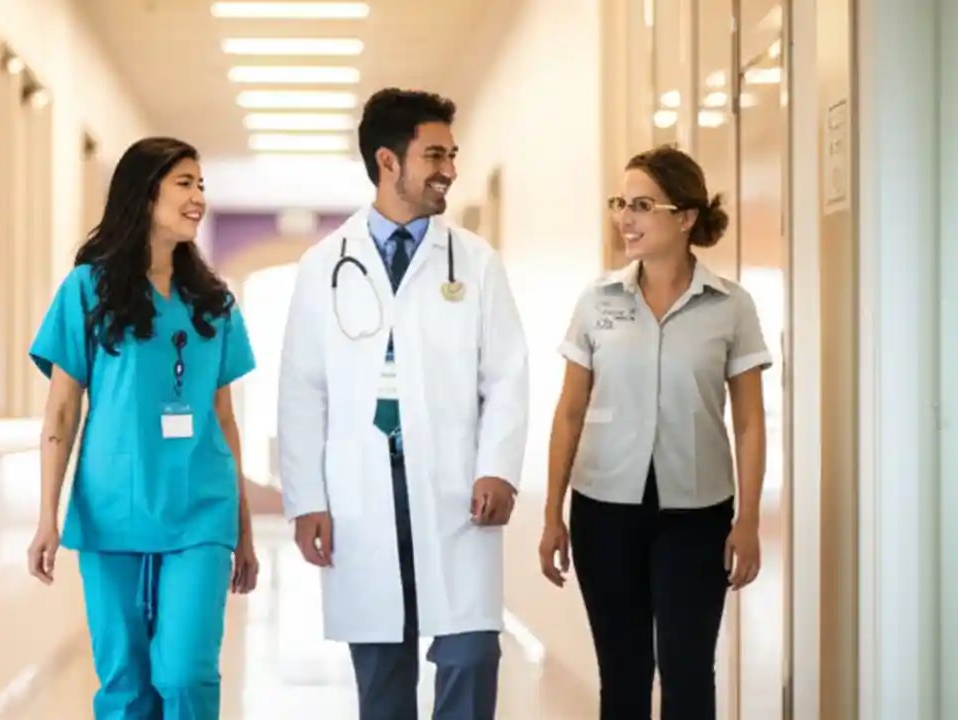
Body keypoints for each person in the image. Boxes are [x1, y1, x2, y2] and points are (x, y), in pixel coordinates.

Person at [278, 88, 530, 720]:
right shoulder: (323, 265)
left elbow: (506, 373)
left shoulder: (475, 262)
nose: (449, 169)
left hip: (454, 485)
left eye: (452, 154)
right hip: (364, 490)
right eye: (434, 154)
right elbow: (302, 390)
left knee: (470, 654)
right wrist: (306, 499)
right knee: (383, 678)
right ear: (388, 161)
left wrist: (497, 465)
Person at [26, 136, 259, 719]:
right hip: (110, 510)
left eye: (201, 184)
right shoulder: (87, 291)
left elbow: (224, 419)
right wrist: (46, 518)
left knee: (185, 674)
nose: (198, 196)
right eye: (185, 182)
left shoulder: (213, 303)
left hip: (201, 509)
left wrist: (245, 529)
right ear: (143, 191)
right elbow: (60, 413)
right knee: (126, 684)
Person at [538, 145, 770, 719]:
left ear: (685, 217)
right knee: (623, 673)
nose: (625, 218)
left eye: (642, 204)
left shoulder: (731, 306)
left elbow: (748, 421)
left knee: (689, 672)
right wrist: (550, 514)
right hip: (603, 509)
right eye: (621, 203)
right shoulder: (597, 301)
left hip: (698, 512)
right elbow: (569, 411)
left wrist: (749, 521)